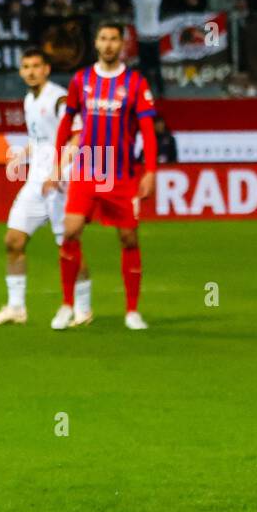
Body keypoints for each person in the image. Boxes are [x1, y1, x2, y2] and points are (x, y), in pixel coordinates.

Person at [50, 22, 158, 332]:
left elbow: (148, 132)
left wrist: (150, 171)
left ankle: (132, 311)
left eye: (114, 39)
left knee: (128, 237)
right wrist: (58, 163)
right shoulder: (81, 80)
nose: (109, 44)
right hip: (87, 168)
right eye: (103, 38)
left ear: (122, 45)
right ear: (96, 43)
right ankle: (68, 305)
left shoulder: (135, 83)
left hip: (122, 174)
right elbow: (66, 122)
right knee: (70, 232)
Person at [0, 47, 91, 326]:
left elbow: (78, 135)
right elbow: (40, 138)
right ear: (21, 71)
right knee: (13, 240)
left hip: (60, 182)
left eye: (36, 66)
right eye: (26, 67)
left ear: (46, 69)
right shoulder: (29, 100)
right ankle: (16, 308)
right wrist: (22, 156)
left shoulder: (59, 98)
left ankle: (83, 308)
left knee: (68, 246)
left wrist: (58, 170)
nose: (31, 71)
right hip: (36, 182)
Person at [128, 0, 164, 98]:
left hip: (143, 38)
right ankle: (160, 91)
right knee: (156, 66)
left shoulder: (138, 0)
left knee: (144, 67)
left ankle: (143, 91)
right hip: (153, 37)